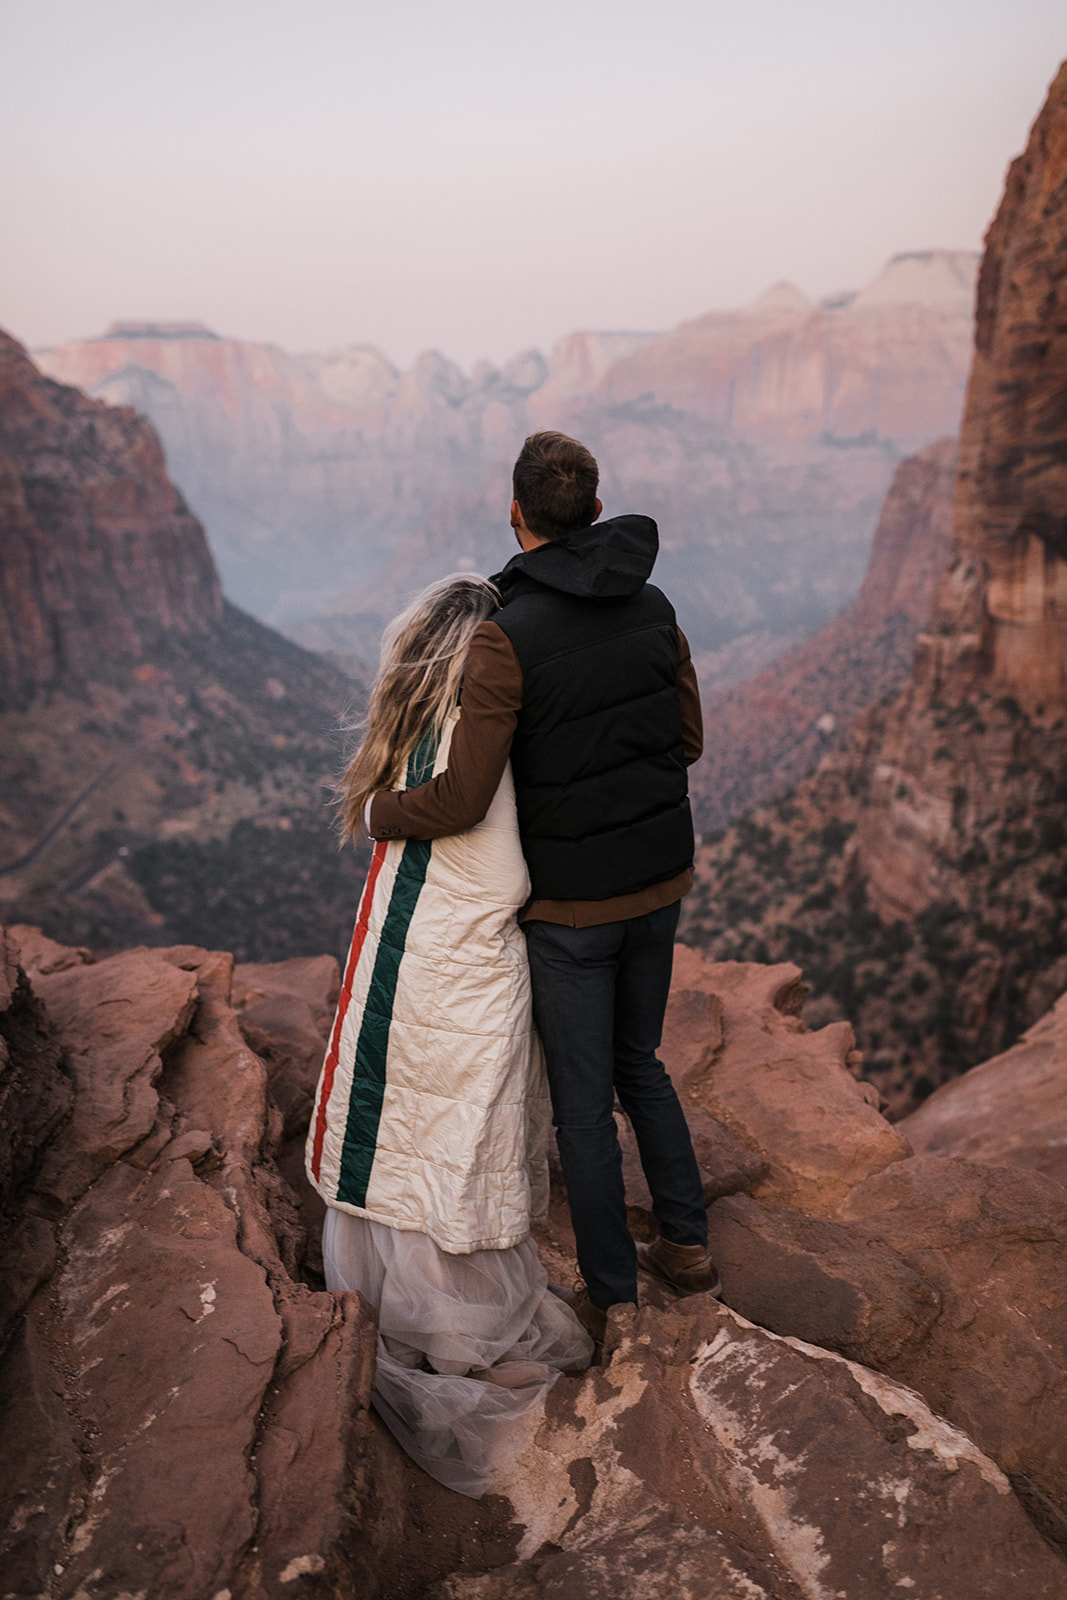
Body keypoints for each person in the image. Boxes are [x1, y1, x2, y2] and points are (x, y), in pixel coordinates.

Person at [366, 431, 719, 1344]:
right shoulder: (655, 603)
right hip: (658, 881)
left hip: (570, 912)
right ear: (595, 511)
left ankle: (616, 1301)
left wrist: (377, 812)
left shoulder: (502, 638)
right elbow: (686, 742)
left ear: (516, 514)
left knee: (580, 1110)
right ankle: (686, 1246)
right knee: (640, 1066)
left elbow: (463, 796)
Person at [306, 573, 593, 1498]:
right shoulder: (495, 737)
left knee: (400, 1128)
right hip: (468, 965)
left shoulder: (408, 735)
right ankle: (457, 1323)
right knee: (458, 1140)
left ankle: (404, 1311)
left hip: (408, 949)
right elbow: (511, 862)